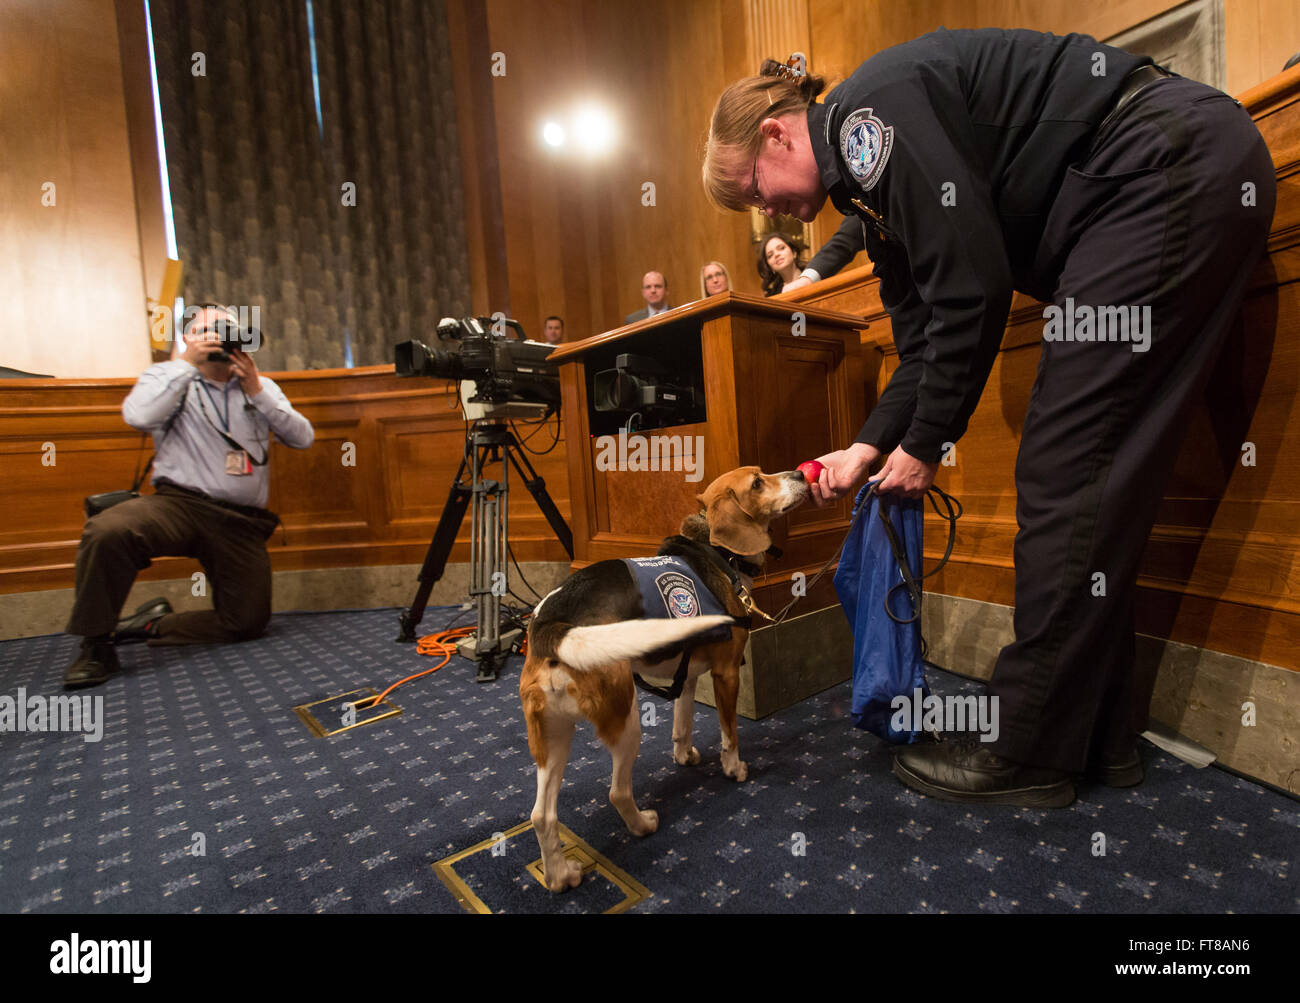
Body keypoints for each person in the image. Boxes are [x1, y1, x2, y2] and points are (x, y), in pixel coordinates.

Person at [702, 29, 1275, 806]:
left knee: (1066, 466)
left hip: (1158, 165)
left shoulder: (865, 122)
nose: (767, 214)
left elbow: (973, 285)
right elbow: (925, 344)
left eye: (754, 191)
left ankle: (1030, 747)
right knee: (1095, 478)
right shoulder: (870, 193)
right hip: (1169, 172)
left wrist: (928, 443)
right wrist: (868, 447)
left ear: (775, 133)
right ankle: (1097, 733)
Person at [63, 303, 316, 688]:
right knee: (108, 530)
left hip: (239, 520)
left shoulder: (258, 386)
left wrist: (257, 391)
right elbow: (138, 417)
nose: (220, 338)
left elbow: (303, 438)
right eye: (208, 331)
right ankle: (96, 645)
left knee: (246, 622)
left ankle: (151, 623)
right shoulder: (166, 374)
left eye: (227, 329)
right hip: (178, 504)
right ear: (188, 338)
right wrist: (185, 365)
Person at [757, 232, 808, 296]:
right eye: (770, 255)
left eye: (781, 248)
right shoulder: (773, 296)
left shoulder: (814, 275)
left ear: (794, 252)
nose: (776, 254)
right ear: (769, 266)